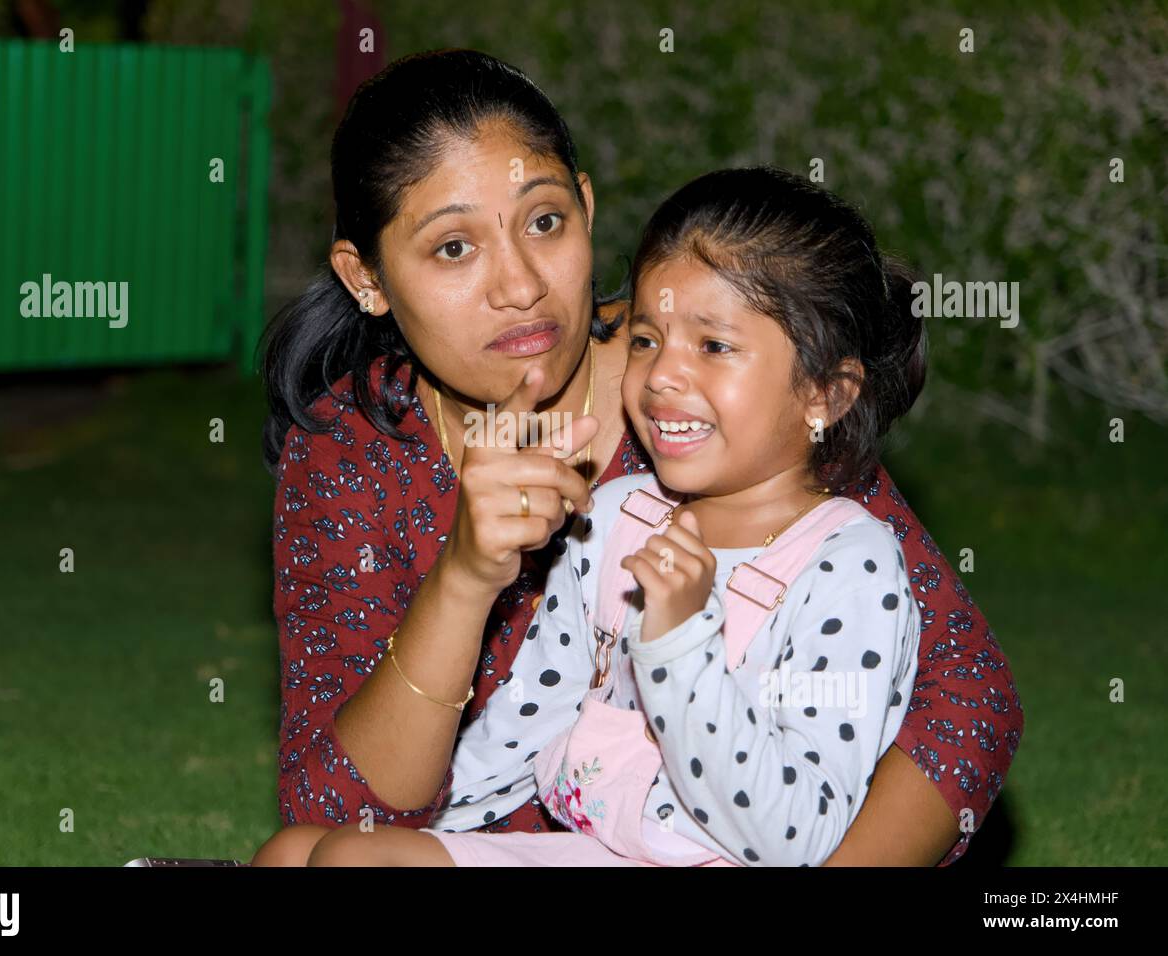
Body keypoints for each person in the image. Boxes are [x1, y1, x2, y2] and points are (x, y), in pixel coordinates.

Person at [251, 50, 1023, 868]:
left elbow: (967, 694)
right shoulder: (355, 448)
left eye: (543, 221)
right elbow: (344, 809)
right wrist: (465, 577)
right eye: (453, 248)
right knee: (299, 856)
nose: (519, 285)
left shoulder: (716, 409)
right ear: (365, 277)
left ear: (585, 208)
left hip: (751, 840)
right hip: (524, 837)